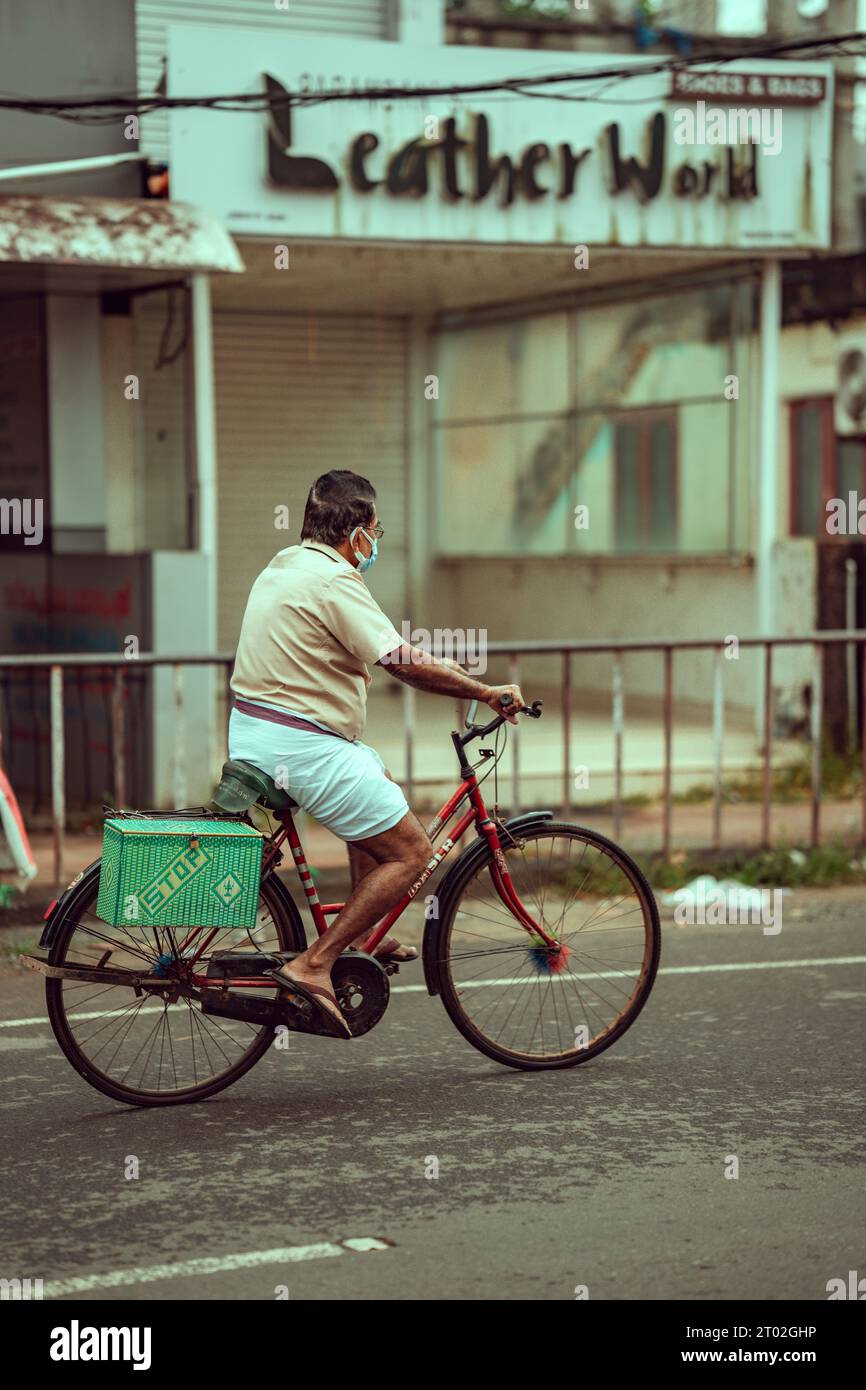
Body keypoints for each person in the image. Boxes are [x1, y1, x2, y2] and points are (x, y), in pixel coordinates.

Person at [227, 469, 524, 1037]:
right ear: (358, 531)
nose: (376, 541)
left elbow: (393, 654)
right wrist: (484, 690)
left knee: (376, 779)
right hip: (300, 744)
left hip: (261, 733)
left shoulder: (285, 564)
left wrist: (463, 677)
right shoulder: (334, 581)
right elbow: (402, 660)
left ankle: (361, 937)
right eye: (376, 528)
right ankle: (315, 963)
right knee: (411, 855)